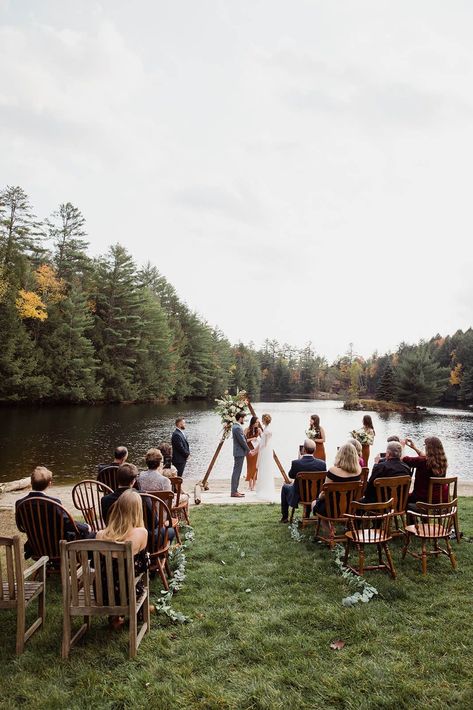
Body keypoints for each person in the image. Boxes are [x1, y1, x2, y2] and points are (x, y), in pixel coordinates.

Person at [96, 489, 149, 629]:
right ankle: (137, 614)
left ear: (117, 508)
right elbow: (144, 566)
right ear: (137, 511)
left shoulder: (100, 535)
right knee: (133, 581)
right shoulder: (141, 533)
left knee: (112, 578)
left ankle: (114, 617)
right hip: (127, 595)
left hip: (102, 594)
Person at [16, 466, 93, 557]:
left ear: (31, 483)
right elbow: (67, 523)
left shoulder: (20, 503)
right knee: (89, 535)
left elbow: (21, 527)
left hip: (36, 546)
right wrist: (85, 527)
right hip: (57, 547)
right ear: (49, 484)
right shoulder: (53, 503)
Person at [280, 439, 326, 523]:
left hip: (299, 495)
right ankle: (307, 515)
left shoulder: (296, 463)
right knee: (308, 489)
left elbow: (291, 475)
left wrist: (299, 458)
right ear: (314, 450)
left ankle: (285, 517)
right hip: (316, 495)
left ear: (303, 449)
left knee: (285, 487)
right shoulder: (322, 464)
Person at [312, 443, 362, 517]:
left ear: (340, 455)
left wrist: (319, 497)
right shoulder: (358, 471)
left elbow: (325, 493)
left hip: (332, 509)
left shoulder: (333, 471)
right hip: (350, 508)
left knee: (314, 503)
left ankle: (329, 528)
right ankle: (347, 525)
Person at [402, 436, 448, 505]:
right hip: (441, 499)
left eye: (425, 445)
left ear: (428, 448)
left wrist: (402, 446)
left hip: (423, 500)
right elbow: (425, 456)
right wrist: (414, 448)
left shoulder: (422, 461)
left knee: (402, 498)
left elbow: (403, 459)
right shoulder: (443, 461)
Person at [253, 413, 277, 502]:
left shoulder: (267, 430)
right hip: (267, 451)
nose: (261, 421)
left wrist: (257, 449)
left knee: (264, 468)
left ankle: (264, 489)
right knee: (264, 469)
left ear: (264, 420)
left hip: (265, 451)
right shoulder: (267, 429)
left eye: (262, 419)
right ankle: (264, 488)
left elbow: (264, 444)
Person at [231, 411, 250, 497]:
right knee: (237, 472)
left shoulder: (236, 426)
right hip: (239, 452)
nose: (244, 420)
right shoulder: (237, 428)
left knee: (237, 472)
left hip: (239, 452)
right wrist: (248, 450)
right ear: (240, 418)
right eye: (243, 418)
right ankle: (234, 491)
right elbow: (242, 441)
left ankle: (235, 490)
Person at [244, 416, 263, 491]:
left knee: (255, 467)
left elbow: (263, 440)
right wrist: (252, 438)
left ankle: (254, 485)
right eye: (256, 422)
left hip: (256, 450)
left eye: (258, 422)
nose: (257, 424)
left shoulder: (259, 430)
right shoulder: (246, 430)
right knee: (249, 467)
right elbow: (243, 441)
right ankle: (249, 485)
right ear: (252, 422)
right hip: (249, 450)